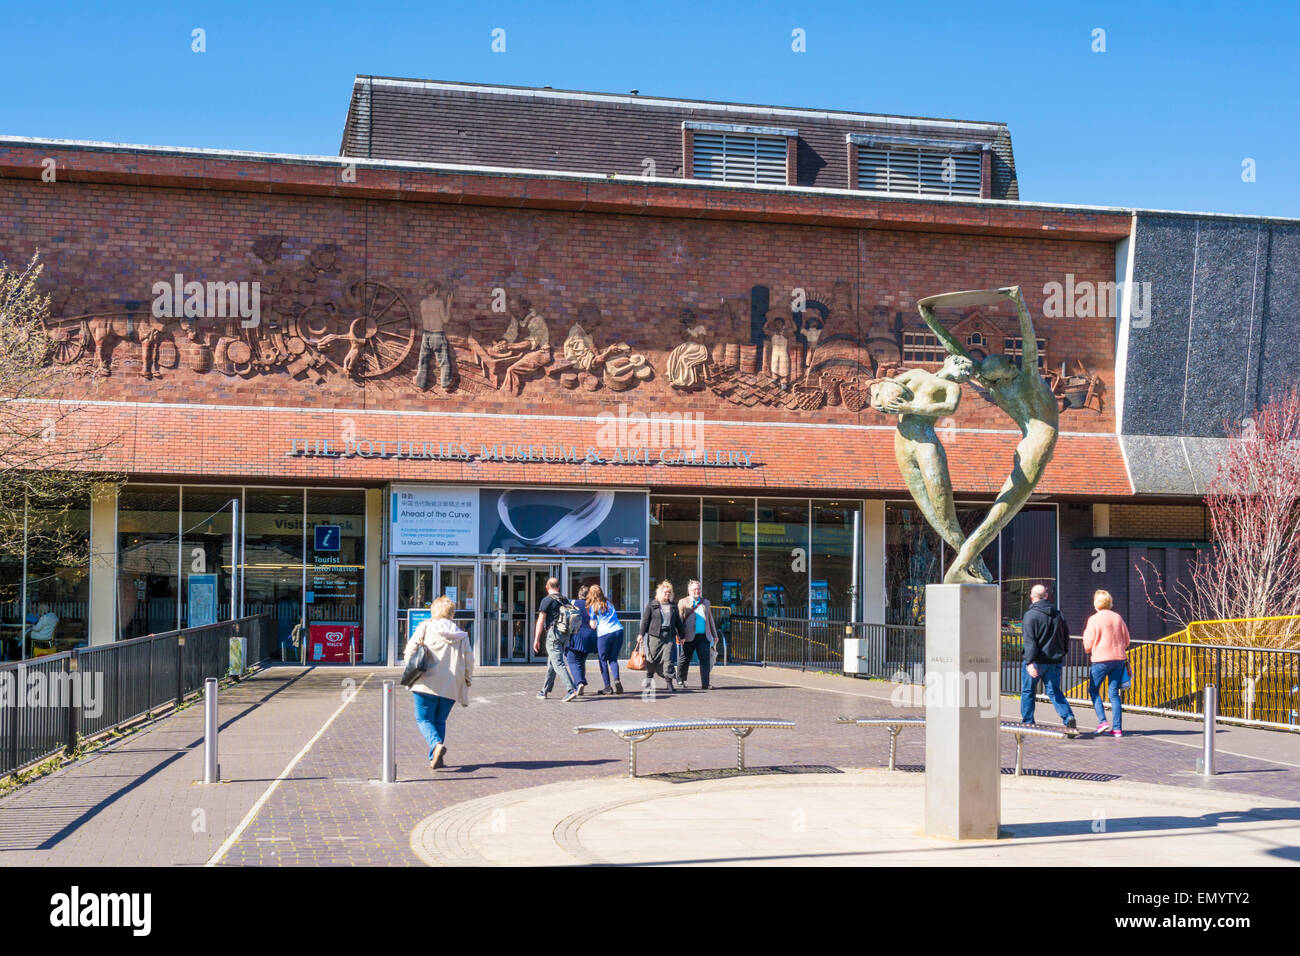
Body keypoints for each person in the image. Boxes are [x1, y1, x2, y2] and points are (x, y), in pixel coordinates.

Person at [403, 595, 474, 771]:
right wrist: (467, 679)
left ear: (434, 610)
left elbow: (409, 651)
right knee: (440, 720)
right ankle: (435, 757)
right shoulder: (461, 634)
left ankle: (435, 746)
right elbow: (469, 660)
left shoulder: (425, 627)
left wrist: (409, 666)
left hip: (425, 682)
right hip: (451, 685)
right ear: (452, 613)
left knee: (424, 719)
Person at [1020, 584, 1078, 735]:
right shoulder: (1058, 614)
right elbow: (1065, 635)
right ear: (1046, 596)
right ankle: (1068, 717)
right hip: (1054, 661)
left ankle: (1028, 721)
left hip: (1037, 661)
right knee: (1054, 691)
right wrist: (1063, 652)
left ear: (1032, 597)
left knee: (1028, 691)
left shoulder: (1030, 616)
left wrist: (1030, 661)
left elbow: (1030, 641)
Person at [1083, 589, 1132, 737]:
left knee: (1093, 690)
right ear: (1110, 602)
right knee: (1114, 694)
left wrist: (1090, 648)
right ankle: (1117, 728)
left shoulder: (1094, 619)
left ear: (1096, 603)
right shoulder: (1118, 618)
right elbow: (1127, 640)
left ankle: (1102, 721)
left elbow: (1088, 645)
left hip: (1100, 660)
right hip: (1118, 659)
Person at [534, 577, 579, 702]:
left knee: (558, 663)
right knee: (552, 663)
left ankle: (571, 689)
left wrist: (536, 639)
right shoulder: (565, 599)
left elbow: (541, 620)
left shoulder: (546, 600)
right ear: (558, 587)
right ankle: (545, 690)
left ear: (547, 587)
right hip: (565, 634)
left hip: (553, 634)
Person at [639, 580, 683, 693]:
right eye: (665, 592)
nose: (667, 594)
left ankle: (669, 683)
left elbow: (678, 621)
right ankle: (649, 680)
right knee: (653, 659)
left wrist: (682, 635)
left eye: (669, 592)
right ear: (659, 593)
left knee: (668, 660)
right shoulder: (652, 604)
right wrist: (641, 634)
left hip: (669, 636)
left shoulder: (673, 606)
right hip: (655, 636)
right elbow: (645, 621)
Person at [676, 580, 719, 690]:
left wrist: (715, 635)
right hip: (688, 637)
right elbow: (678, 621)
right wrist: (679, 636)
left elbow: (710, 619)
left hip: (703, 636)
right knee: (684, 659)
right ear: (689, 591)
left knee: (705, 660)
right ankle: (680, 680)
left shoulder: (706, 602)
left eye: (698, 589)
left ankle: (705, 683)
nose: (697, 591)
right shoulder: (683, 602)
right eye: (694, 589)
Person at [586, 584, 625, 695]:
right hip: (618, 631)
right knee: (613, 659)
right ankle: (617, 680)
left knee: (603, 660)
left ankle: (607, 687)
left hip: (604, 634)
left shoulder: (594, 606)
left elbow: (593, 625)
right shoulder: (609, 603)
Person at [565, 585, 598, 695]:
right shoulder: (592, 605)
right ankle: (578, 686)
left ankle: (579, 682)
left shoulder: (573, 602)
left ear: (579, 594)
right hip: (590, 637)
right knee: (581, 661)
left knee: (572, 661)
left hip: (576, 635)